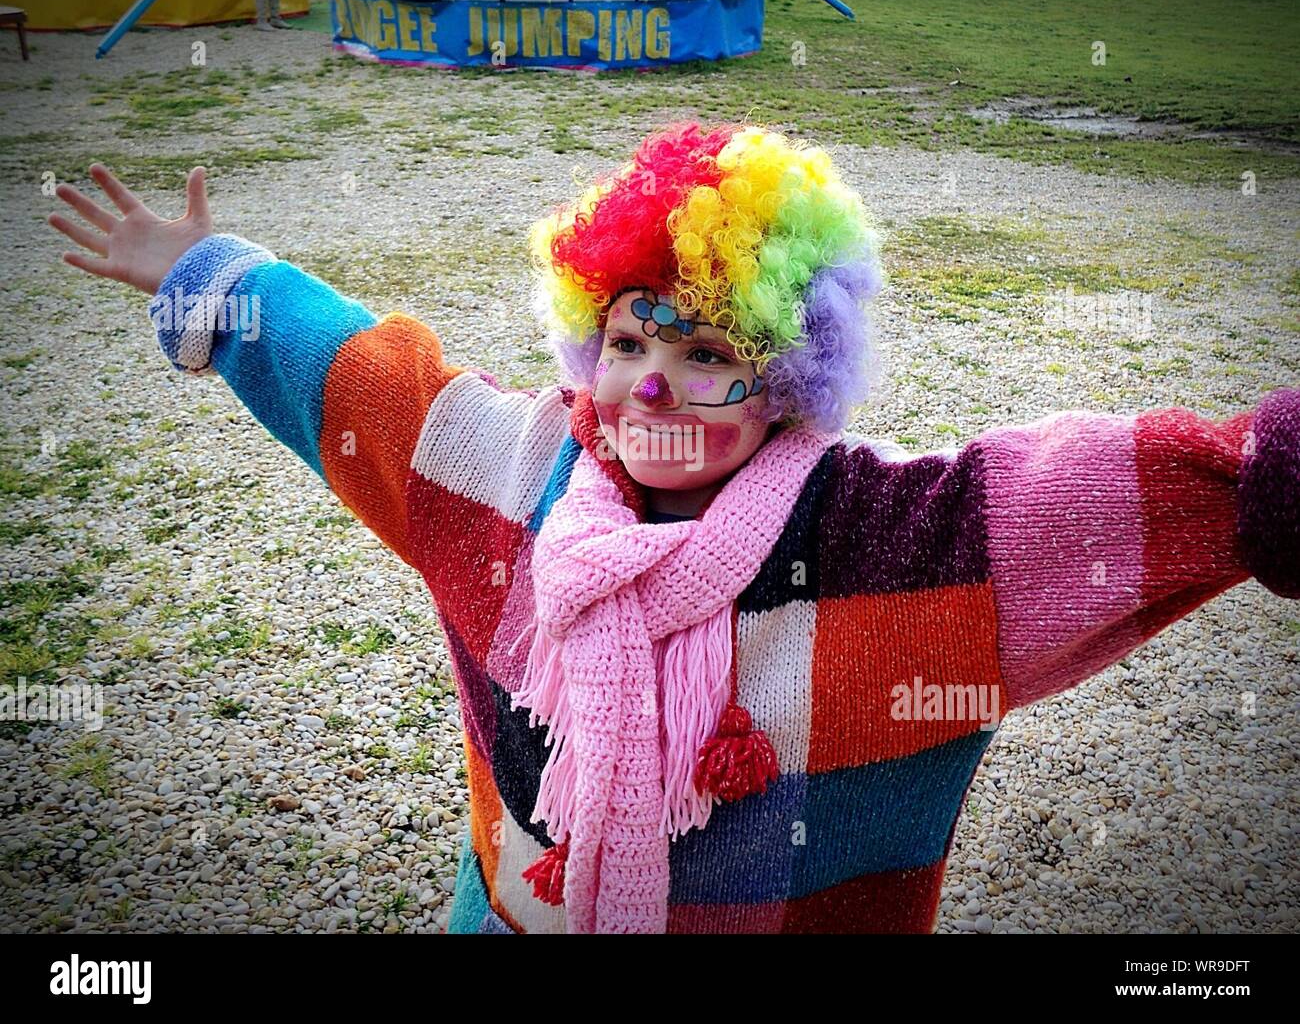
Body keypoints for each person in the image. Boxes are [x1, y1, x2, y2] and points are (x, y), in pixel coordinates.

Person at [45, 121, 1298, 934]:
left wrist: (1270, 474)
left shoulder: (901, 543)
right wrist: (213, 278)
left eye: (707, 354)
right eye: (629, 339)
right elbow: (363, 377)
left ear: (792, 375)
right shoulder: (504, 476)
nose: (648, 383)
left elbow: (1112, 490)